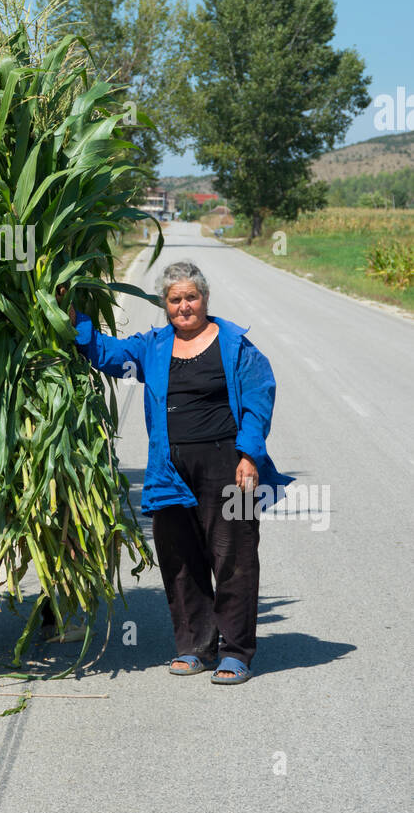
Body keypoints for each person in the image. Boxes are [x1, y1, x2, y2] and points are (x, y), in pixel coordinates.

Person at [58, 261, 291, 685]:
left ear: (205, 298)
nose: (184, 306)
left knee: (235, 557)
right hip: (169, 468)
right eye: (175, 299)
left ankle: (236, 652)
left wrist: (249, 457)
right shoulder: (155, 346)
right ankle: (194, 647)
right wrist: (75, 319)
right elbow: (107, 355)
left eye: (191, 297)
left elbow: (259, 399)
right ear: (165, 305)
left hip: (229, 465)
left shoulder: (235, 345)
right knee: (179, 558)